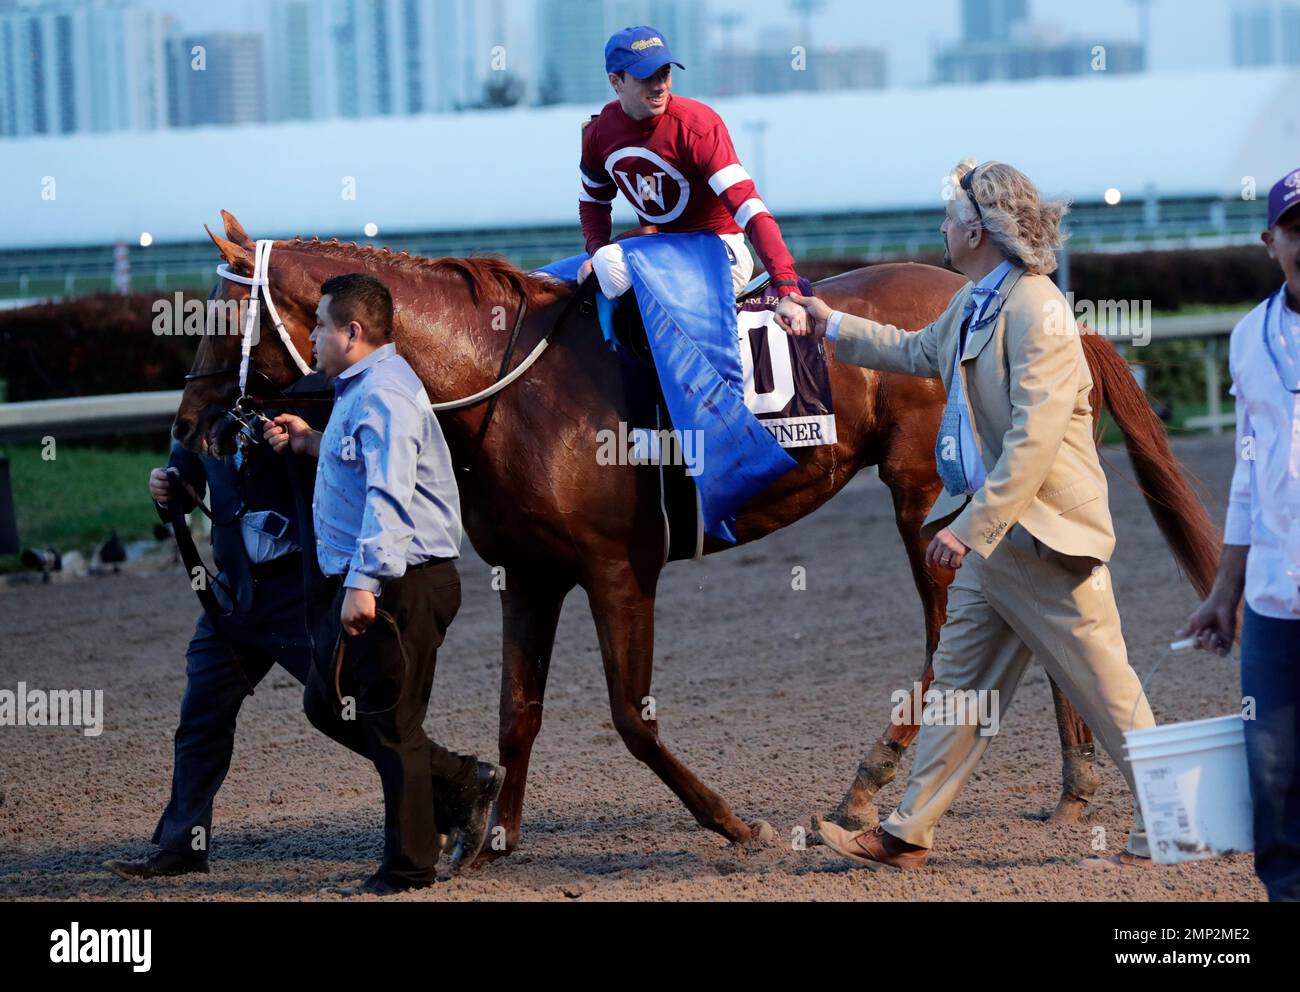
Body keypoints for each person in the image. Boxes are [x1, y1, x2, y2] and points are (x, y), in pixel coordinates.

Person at [785, 159, 1158, 869]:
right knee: (958, 688)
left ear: (981, 230)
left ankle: (1182, 823)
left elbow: (1035, 439)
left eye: (950, 219)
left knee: (1108, 690)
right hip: (1001, 539)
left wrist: (966, 527)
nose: (942, 229)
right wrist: (825, 321)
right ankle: (905, 832)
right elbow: (914, 350)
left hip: (1045, 535)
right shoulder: (979, 299)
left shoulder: (1038, 309)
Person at [265, 273, 502, 895]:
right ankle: (461, 781)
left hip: (406, 582)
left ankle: (409, 869)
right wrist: (309, 441)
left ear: (353, 331)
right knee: (328, 704)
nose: (310, 336)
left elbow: (388, 496)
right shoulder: (361, 389)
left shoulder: (385, 395)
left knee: (392, 725)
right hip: (392, 578)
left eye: (318, 324)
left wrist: (364, 582)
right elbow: (360, 460)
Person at [104, 375, 327, 880]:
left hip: (301, 591)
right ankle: (181, 847)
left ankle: (448, 788)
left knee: (347, 706)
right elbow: (183, 485)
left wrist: (309, 440)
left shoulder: (304, 392)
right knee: (202, 711)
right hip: (233, 596)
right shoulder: (201, 405)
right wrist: (164, 492)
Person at [1178, 166, 1300, 901]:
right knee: (1274, 774)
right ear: (1270, 240)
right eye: (1297, 229)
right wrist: (1224, 593)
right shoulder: (1249, 338)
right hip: (1277, 601)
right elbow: (1249, 478)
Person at [576, 25, 809, 334]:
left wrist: (786, 286)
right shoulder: (599, 133)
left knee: (611, 266)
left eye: (664, 73)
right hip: (662, 248)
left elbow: (751, 209)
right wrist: (594, 249)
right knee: (600, 265)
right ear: (616, 82)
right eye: (646, 77)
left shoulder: (698, 126)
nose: (660, 86)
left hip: (721, 249)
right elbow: (593, 202)